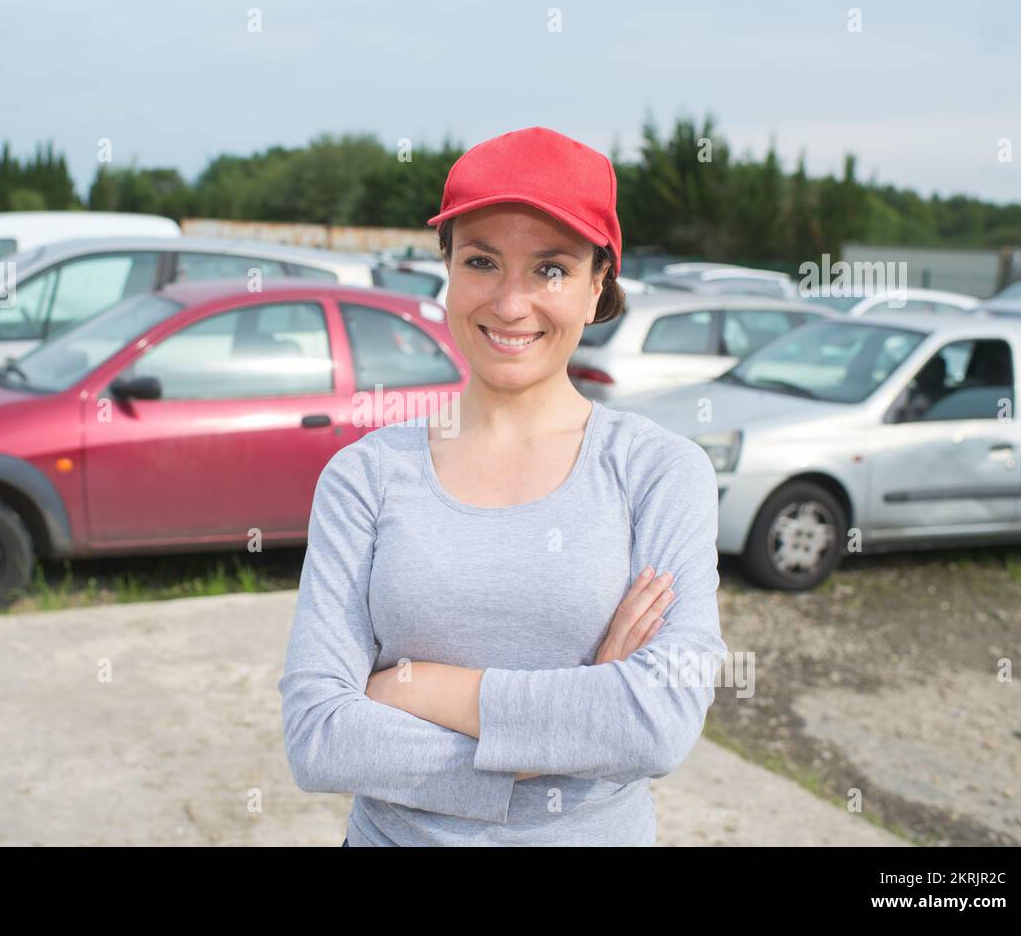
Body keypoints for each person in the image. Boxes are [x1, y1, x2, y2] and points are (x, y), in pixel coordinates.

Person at [279, 126, 728, 846]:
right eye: (483, 260)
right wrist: (569, 729)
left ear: (597, 287)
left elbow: (659, 722)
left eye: (550, 269)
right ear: (448, 273)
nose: (512, 303)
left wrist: (416, 688)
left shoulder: (659, 473)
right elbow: (319, 736)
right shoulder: (364, 478)